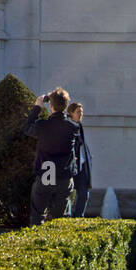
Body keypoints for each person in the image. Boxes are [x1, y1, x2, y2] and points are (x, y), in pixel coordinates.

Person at [24, 87, 81, 224]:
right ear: (66, 105)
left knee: (38, 215)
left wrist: (37, 107)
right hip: (64, 176)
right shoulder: (73, 127)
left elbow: (27, 128)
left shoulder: (43, 125)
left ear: (51, 106)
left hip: (46, 174)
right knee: (60, 219)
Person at [66, 101, 92, 217]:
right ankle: (68, 217)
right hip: (71, 166)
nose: (80, 114)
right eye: (78, 112)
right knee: (68, 193)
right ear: (71, 113)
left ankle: (78, 217)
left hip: (81, 167)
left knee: (84, 193)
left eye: (81, 112)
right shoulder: (68, 126)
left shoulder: (79, 126)